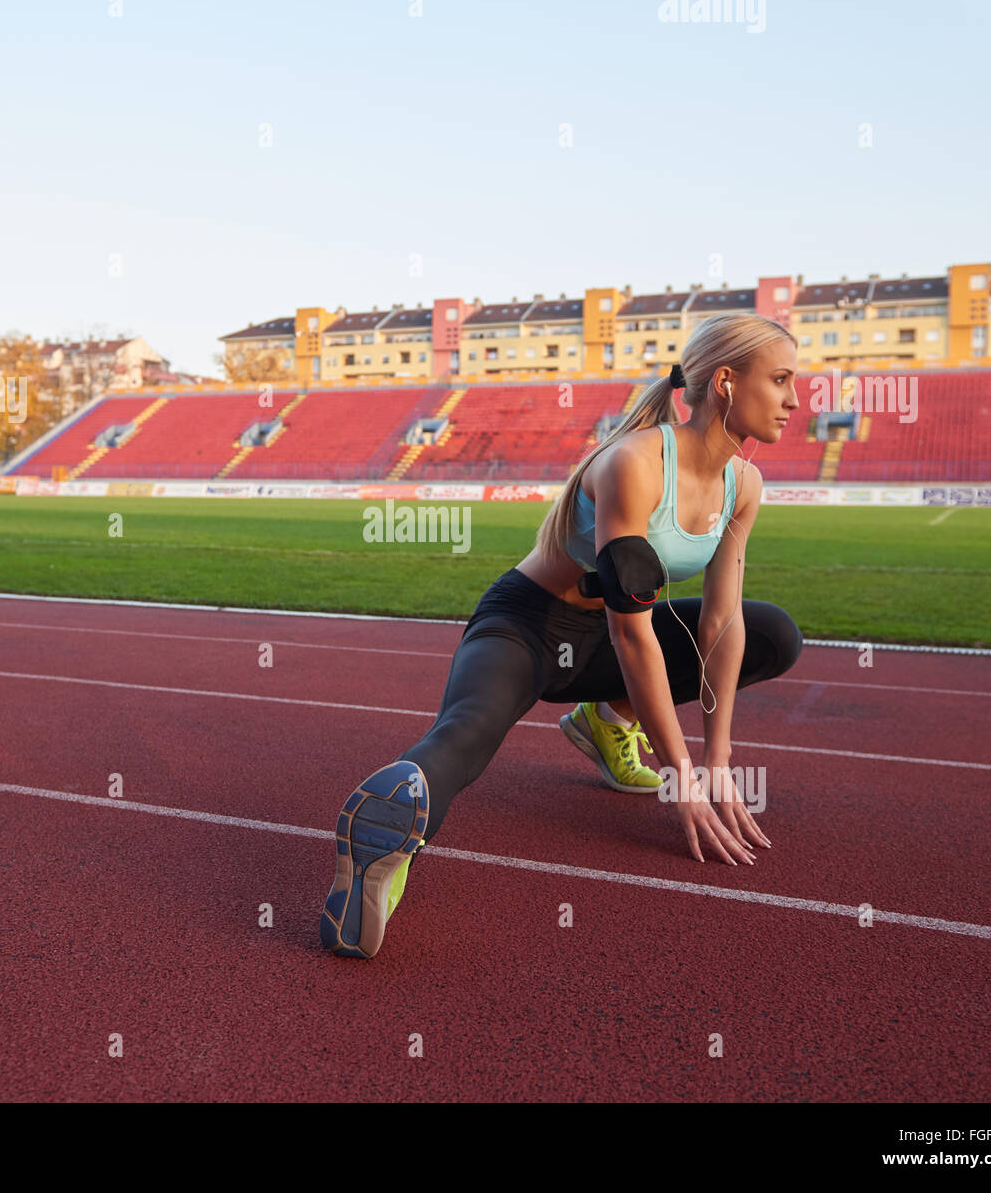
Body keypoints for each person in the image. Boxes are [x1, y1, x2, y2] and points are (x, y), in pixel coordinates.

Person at [321, 312, 803, 958]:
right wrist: (679, 776)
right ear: (724, 381)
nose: (794, 400)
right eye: (780, 379)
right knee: (466, 731)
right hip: (529, 625)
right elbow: (633, 636)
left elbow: (720, 622)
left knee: (772, 632)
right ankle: (385, 851)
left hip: (606, 643)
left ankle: (606, 720)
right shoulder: (635, 463)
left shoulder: (744, 484)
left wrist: (716, 763)